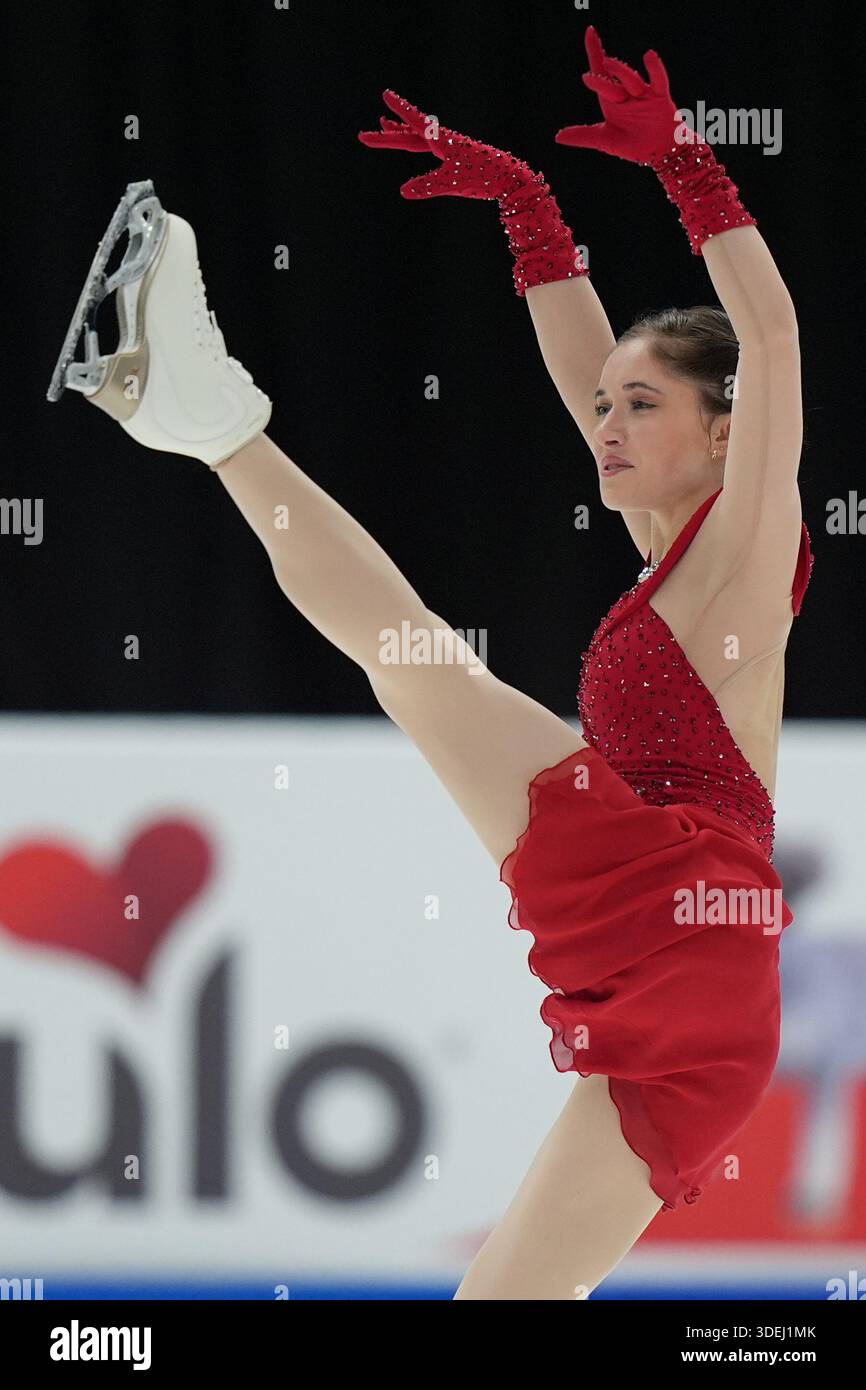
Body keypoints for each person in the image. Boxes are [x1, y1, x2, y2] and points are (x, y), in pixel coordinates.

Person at [50, 25, 812, 1299]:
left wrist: (691, 167)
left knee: (410, 663)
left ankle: (206, 411)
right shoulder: (658, 535)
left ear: (724, 435)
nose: (606, 425)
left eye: (642, 406)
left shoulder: (747, 536)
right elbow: (587, 370)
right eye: (606, 404)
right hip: (703, 1005)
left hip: (685, 906)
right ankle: (199, 411)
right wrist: (528, 211)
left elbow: (772, 336)